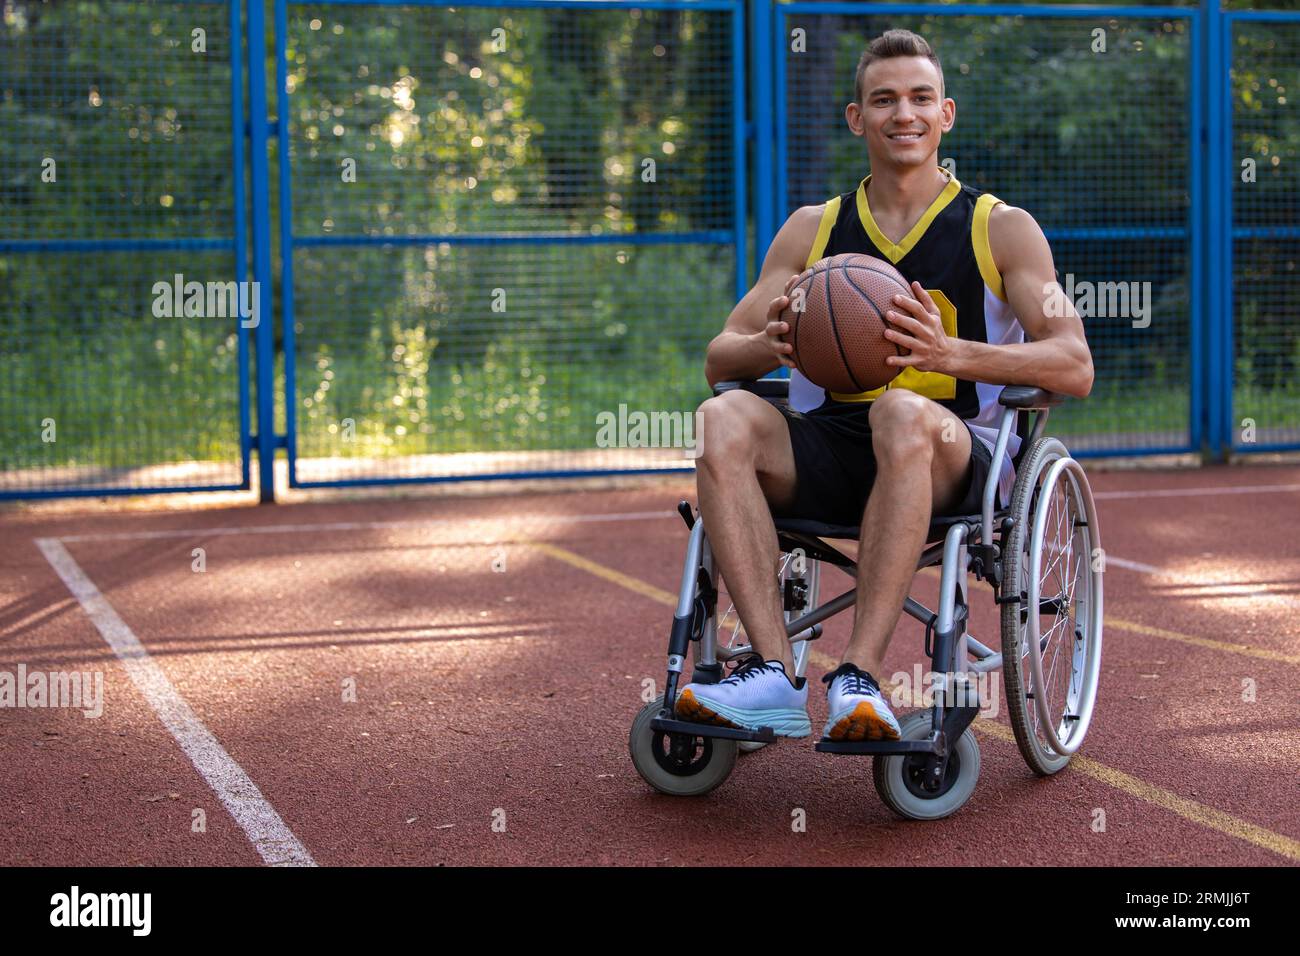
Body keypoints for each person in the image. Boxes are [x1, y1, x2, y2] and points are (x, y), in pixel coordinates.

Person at [675, 28, 1094, 741]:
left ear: (946, 114)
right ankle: (773, 673)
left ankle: (859, 675)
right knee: (722, 420)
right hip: (834, 449)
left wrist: (950, 352)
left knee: (901, 412)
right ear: (856, 117)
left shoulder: (1003, 230)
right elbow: (720, 360)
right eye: (885, 100)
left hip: (951, 456)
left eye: (920, 98)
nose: (904, 114)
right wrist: (767, 342)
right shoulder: (814, 230)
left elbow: (1073, 364)